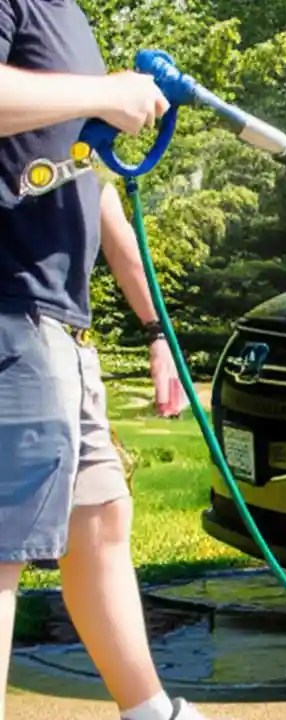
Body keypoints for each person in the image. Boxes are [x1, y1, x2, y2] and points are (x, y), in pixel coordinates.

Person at [0, 0, 208, 718]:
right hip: (8, 310)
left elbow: (94, 189)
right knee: (3, 542)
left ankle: (149, 710)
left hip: (60, 325)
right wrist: (106, 91)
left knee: (99, 519)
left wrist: (158, 332)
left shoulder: (70, 21)